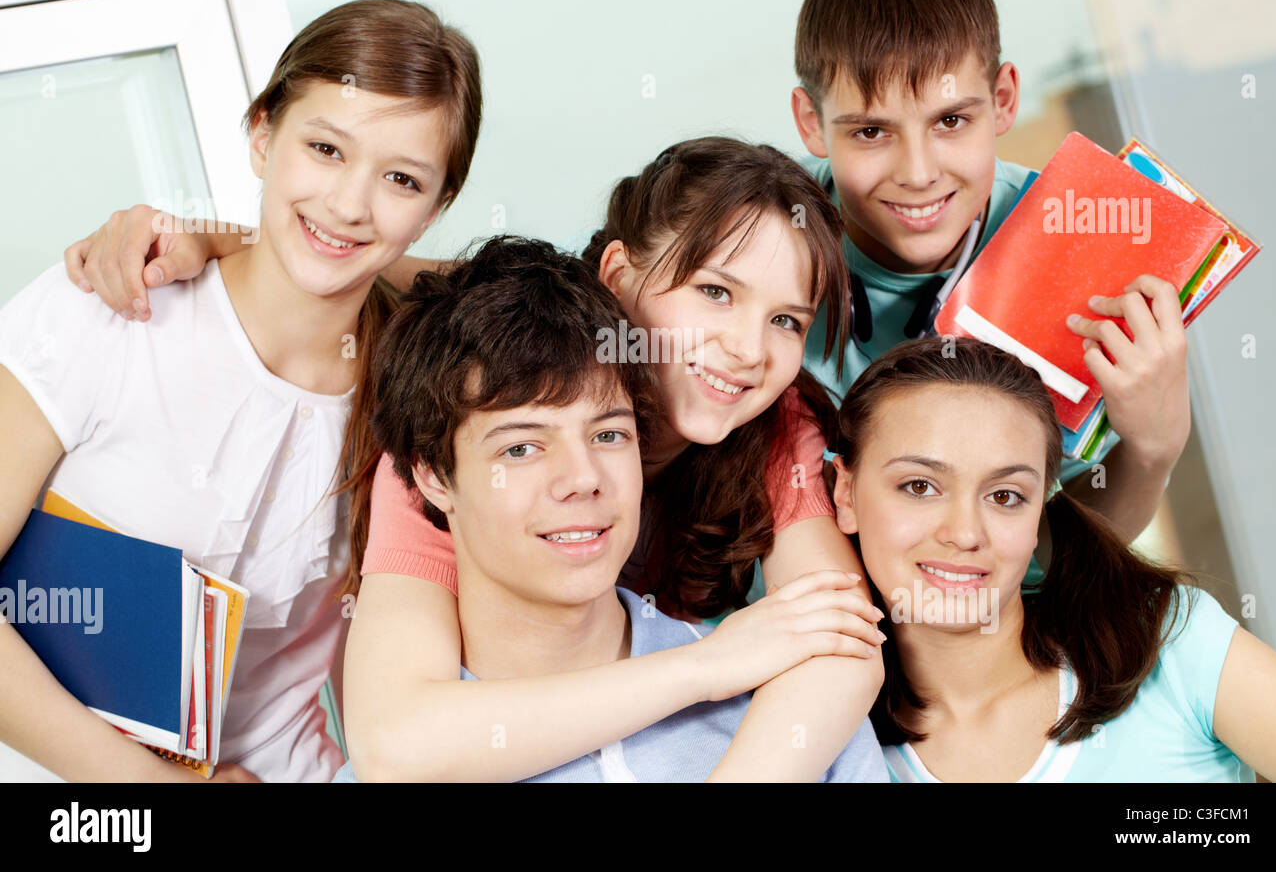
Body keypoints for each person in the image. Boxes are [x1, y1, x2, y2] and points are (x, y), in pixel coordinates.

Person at [62, 137, 887, 782]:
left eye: (788, 319)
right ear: (616, 278)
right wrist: (221, 244)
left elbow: (841, 647)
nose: (748, 347)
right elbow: (397, 744)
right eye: (715, 292)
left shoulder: (772, 424)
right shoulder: (461, 434)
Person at [0, 0, 482, 782]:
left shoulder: (419, 387)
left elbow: (545, 289)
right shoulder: (109, 305)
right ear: (262, 133)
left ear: (437, 209)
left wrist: (235, 234)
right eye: (324, 148)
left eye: (400, 178)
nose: (349, 203)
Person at [332, 235, 887, 782]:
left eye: (609, 436)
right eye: (521, 448)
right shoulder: (411, 744)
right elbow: (393, 747)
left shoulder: (798, 716)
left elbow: (843, 639)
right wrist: (705, 668)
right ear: (430, 477)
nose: (582, 480)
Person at [790, 0, 1190, 548]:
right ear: (812, 123)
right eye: (871, 131)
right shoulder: (758, 247)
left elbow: (1055, 561)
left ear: (1003, 101)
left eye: (951, 121)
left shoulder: (1085, 246)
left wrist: (1155, 447)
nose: (919, 172)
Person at [828, 336, 1276, 782]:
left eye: (1006, 496)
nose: (965, 534)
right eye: (919, 487)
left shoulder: (1169, 642)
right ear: (845, 493)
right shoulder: (822, 740)